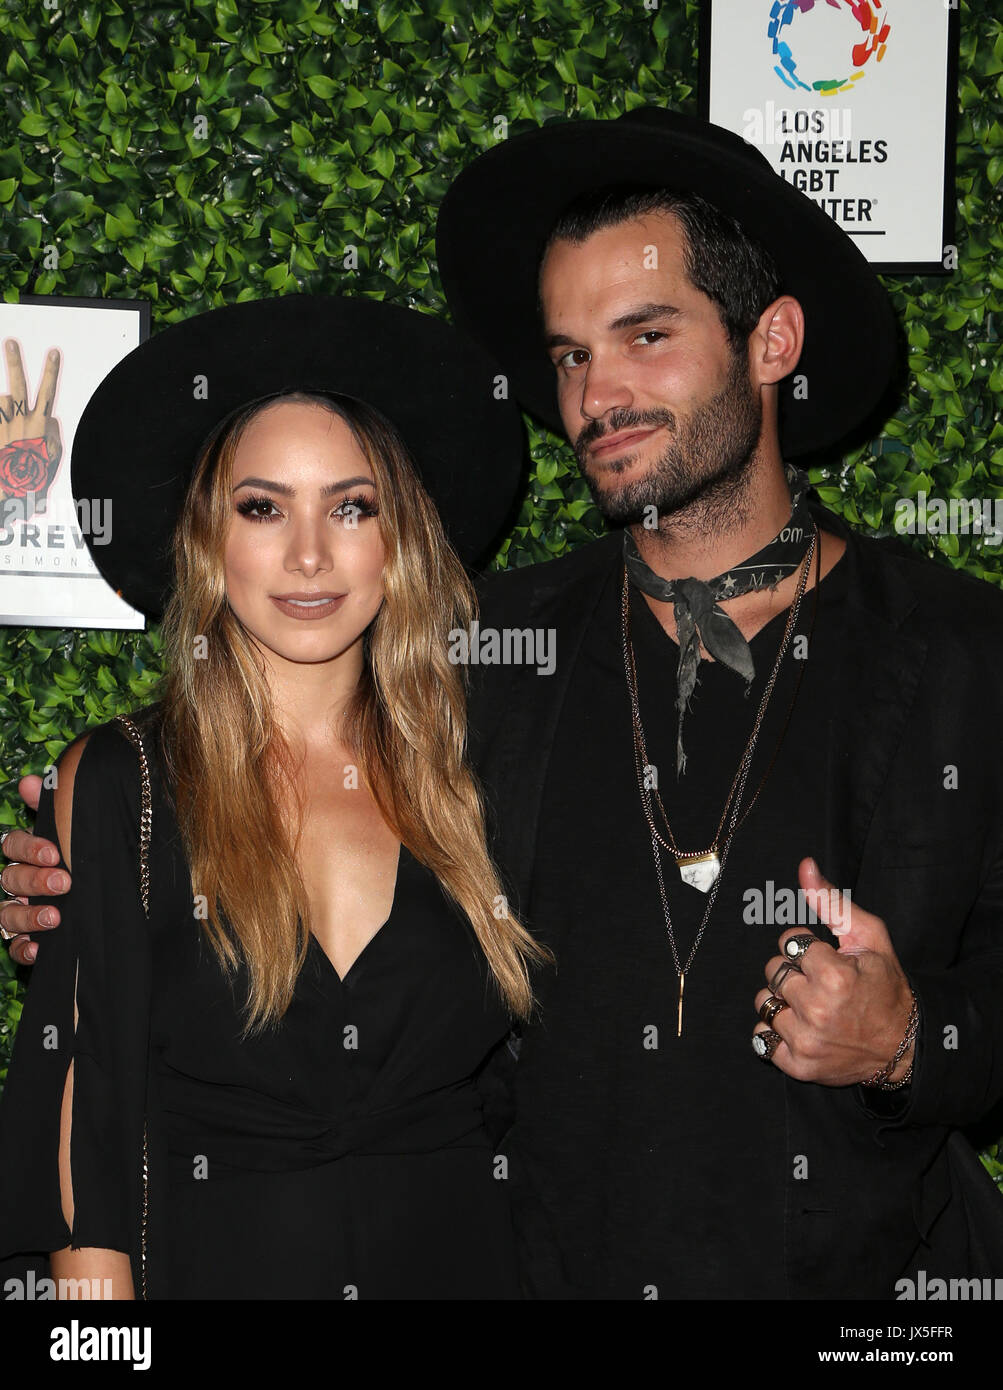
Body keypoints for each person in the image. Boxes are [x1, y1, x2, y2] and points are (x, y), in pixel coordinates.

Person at [9, 109, 1003, 1302]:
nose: (598, 392)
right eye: (571, 354)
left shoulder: (961, 655)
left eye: (644, 334)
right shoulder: (485, 658)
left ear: (771, 340)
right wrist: (80, 898)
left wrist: (906, 1041)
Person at [0, 293, 548, 1300]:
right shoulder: (123, 780)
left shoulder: (479, 772)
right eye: (263, 508)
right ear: (210, 540)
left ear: (401, 537)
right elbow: (87, 1121)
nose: (308, 555)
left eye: (350, 506)